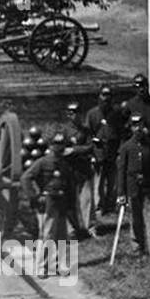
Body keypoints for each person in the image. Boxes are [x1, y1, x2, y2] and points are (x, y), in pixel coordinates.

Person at [116, 117, 150, 259]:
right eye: (135, 125)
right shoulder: (126, 147)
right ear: (131, 127)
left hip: (149, 187)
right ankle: (137, 250)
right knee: (135, 221)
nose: (138, 128)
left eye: (140, 125)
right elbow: (121, 171)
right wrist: (121, 192)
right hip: (132, 188)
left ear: (144, 126)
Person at [20, 133, 80, 245]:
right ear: (51, 146)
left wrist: (71, 204)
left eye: (61, 144)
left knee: (62, 236)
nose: (59, 147)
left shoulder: (64, 163)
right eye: (56, 144)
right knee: (47, 236)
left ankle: (60, 262)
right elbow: (25, 178)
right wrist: (35, 197)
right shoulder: (42, 162)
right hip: (48, 203)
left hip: (62, 203)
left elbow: (69, 184)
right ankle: (42, 263)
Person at [84, 85, 124, 213]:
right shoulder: (92, 114)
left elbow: (122, 132)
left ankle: (111, 204)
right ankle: (99, 205)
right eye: (104, 94)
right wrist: (91, 151)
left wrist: (120, 150)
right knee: (99, 180)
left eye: (109, 95)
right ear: (99, 96)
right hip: (98, 150)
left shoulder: (117, 113)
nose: (106, 98)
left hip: (113, 149)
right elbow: (87, 133)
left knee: (112, 179)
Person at [63, 102, 98, 238]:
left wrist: (74, 150)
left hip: (84, 168)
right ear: (68, 114)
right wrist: (75, 150)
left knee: (87, 200)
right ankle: (72, 229)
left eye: (77, 112)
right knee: (69, 201)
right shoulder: (64, 131)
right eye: (71, 113)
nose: (74, 116)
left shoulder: (86, 131)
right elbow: (61, 149)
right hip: (70, 169)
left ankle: (90, 227)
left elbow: (90, 147)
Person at [124, 73, 150, 139]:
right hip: (136, 141)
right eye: (138, 87)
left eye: (143, 86)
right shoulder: (131, 104)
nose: (141, 89)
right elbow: (124, 124)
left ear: (147, 86)